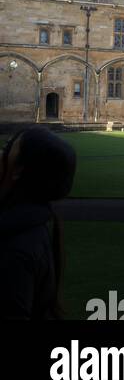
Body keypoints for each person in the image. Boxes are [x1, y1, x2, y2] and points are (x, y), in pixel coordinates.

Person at [0, 126, 77, 319]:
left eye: (7, 147)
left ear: (18, 170)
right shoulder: (33, 224)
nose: (1, 153)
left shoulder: (15, 250)